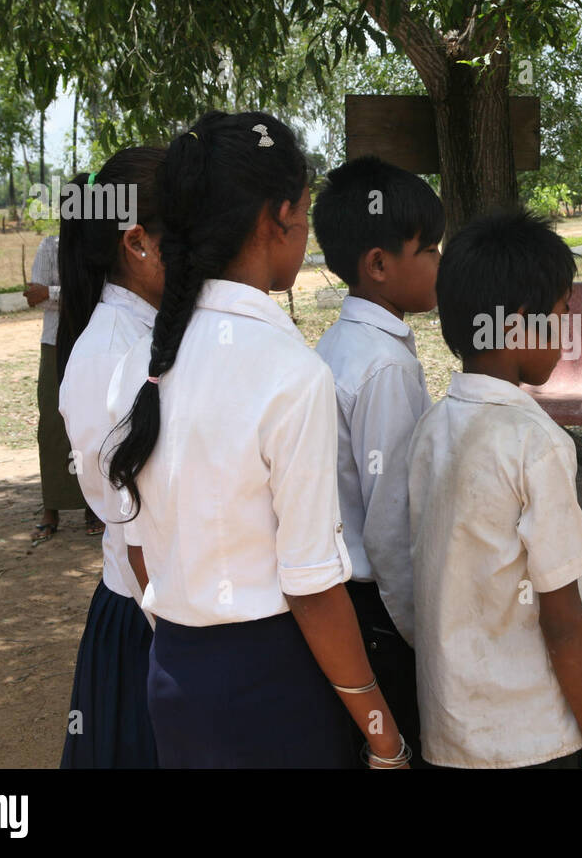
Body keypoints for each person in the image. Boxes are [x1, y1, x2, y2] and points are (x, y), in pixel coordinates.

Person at [106, 111, 407, 768]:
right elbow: (311, 588)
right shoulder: (291, 373)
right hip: (273, 687)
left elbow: (138, 553)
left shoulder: (139, 365)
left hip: (175, 676)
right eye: (302, 211)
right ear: (279, 220)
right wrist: (384, 734)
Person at [409, 207, 582, 769]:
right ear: (521, 323)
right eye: (561, 315)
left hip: (452, 732)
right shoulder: (536, 442)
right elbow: (562, 616)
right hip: (534, 738)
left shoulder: (430, 430)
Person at [312, 155, 444, 766]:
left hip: (352, 603)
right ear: (380, 264)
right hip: (382, 614)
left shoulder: (340, 344)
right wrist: (426, 637)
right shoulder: (385, 367)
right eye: (430, 249)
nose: (440, 264)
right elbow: (391, 526)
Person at [55, 148, 166, 768]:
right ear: (139, 243)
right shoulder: (112, 356)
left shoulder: (147, 333)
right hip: (149, 624)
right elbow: (136, 532)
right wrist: (186, 655)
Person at [27, 232, 99, 539]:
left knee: (93, 423)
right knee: (53, 425)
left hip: (93, 341)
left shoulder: (100, 245)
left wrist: (53, 294)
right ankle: (51, 506)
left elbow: (96, 292)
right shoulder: (50, 246)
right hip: (54, 343)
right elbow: (33, 296)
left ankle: (94, 506)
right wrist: (66, 295)